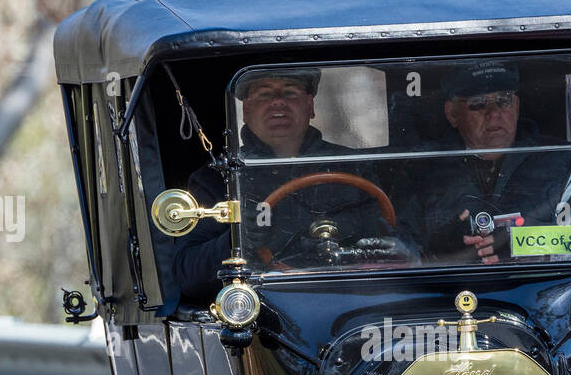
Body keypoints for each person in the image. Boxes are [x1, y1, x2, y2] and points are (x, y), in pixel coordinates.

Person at [172, 69, 409, 300]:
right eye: (264, 94)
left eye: (290, 93)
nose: (278, 102)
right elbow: (187, 275)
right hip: (266, 307)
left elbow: (398, 240)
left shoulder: (353, 166)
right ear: (246, 109)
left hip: (351, 296)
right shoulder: (217, 179)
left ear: (310, 106)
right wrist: (238, 239)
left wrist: (397, 250)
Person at [421, 60, 571, 265]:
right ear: (453, 114)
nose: (493, 113)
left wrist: (520, 245)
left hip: (536, 291)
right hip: (445, 291)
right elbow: (397, 248)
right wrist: (438, 249)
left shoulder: (561, 162)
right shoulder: (423, 170)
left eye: (503, 100)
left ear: (517, 107)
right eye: (478, 103)